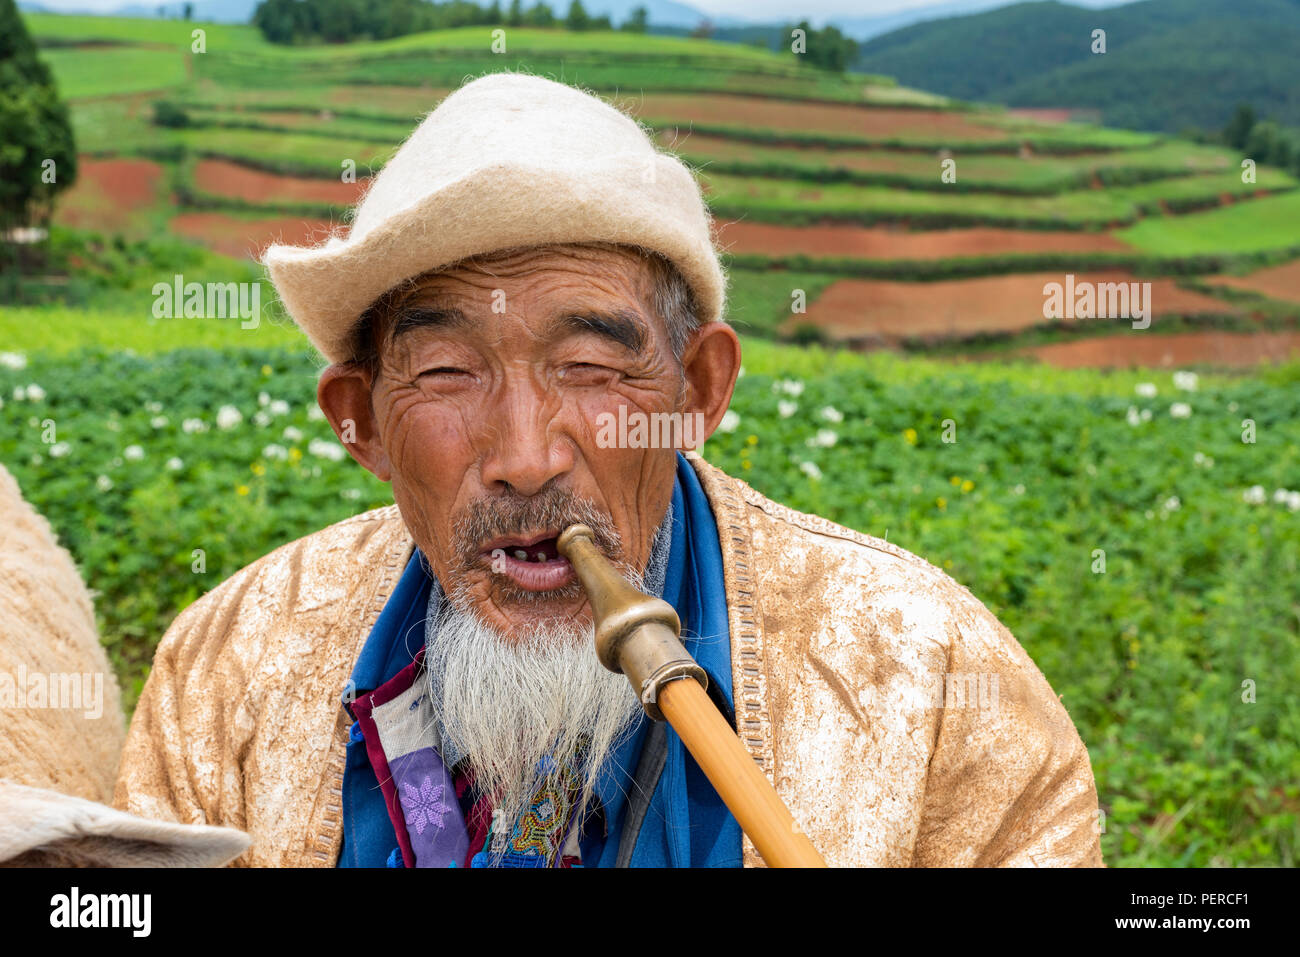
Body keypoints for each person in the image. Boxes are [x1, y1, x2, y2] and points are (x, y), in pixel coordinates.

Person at [114, 73, 1103, 868]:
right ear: (360, 422)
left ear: (699, 391)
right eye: (447, 373)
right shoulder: (227, 670)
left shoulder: (928, 678)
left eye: (590, 368)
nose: (525, 458)